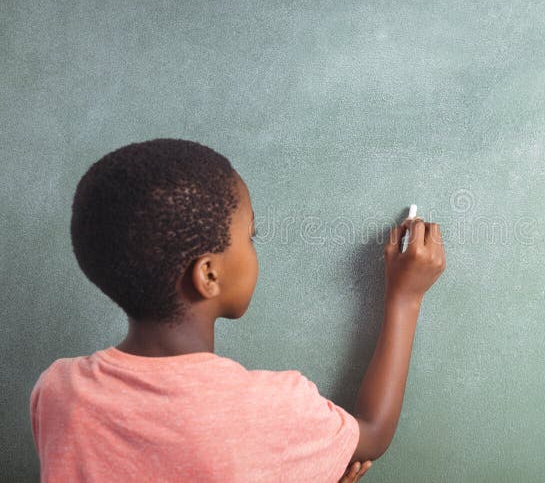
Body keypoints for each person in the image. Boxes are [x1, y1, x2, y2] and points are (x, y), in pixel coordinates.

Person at [29, 138, 446, 482]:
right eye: (251, 235)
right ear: (208, 275)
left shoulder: (59, 394)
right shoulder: (275, 408)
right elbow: (372, 431)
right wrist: (404, 299)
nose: (254, 246)